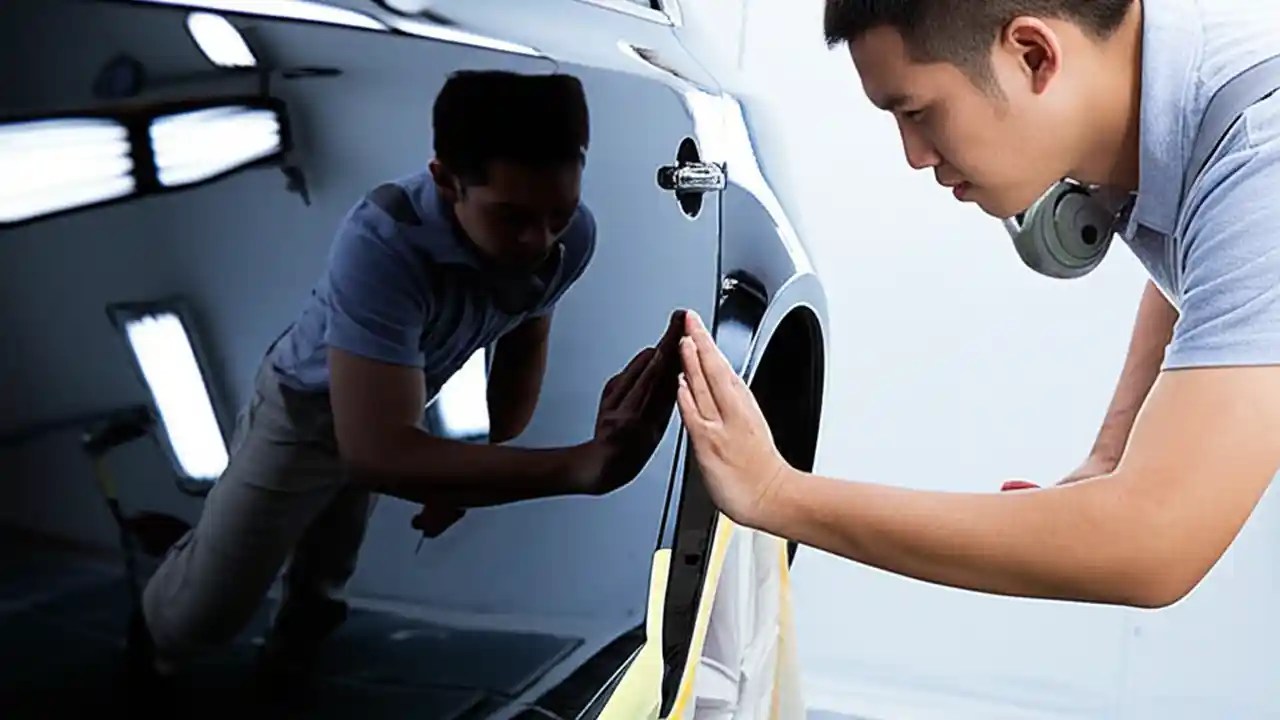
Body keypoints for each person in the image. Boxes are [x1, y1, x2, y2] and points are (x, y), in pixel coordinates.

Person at [675, 0, 1280, 610]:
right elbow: (1218, 283)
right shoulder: (1194, 100)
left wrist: (778, 493)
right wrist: (1111, 453)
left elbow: (1152, 544)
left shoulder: (1263, 159)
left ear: (1033, 55)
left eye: (918, 111)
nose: (914, 154)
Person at [130, 69, 682, 690]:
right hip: (304, 411)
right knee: (207, 609)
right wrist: (583, 466)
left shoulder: (569, 237)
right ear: (447, 180)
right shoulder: (382, 242)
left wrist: (468, 472)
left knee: (326, 573)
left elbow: (523, 345)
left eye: (558, 212)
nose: (539, 239)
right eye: (512, 217)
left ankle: (289, 665)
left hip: (395, 403)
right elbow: (378, 453)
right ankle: (153, 640)